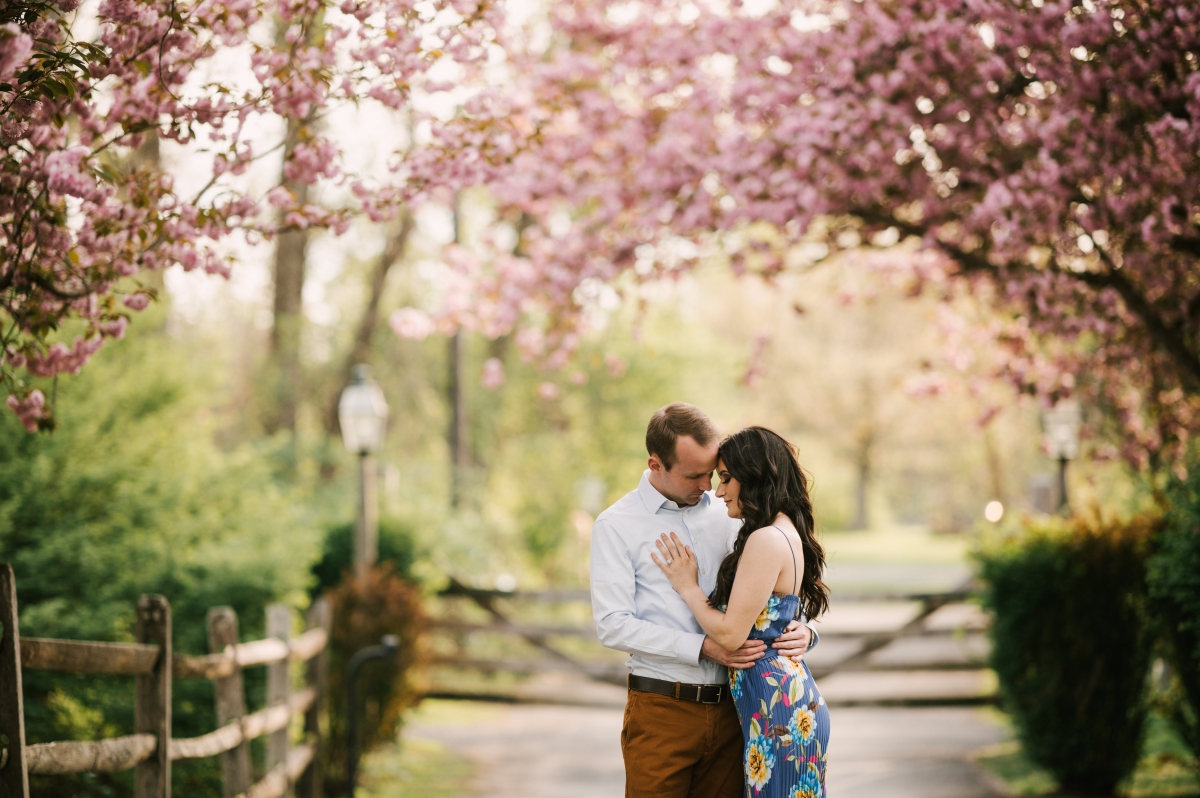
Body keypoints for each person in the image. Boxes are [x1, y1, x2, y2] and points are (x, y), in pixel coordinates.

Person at [590, 404, 819, 798]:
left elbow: (786, 578)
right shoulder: (616, 524)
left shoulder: (732, 510)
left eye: (712, 473)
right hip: (664, 708)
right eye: (694, 475)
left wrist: (807, 631)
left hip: (737, 711)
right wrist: (704, 647)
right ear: (656, 464)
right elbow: (613, 623)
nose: (708, 486)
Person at [653, 426, 831, 798]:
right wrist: (808, 631)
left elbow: (732, 635)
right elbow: (778, 615)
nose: (718, 491)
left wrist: (687, 587)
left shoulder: (766, 539)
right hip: (782, 699)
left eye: (726, 478)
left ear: (753, 476)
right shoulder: (780, 531)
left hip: (776, 707)